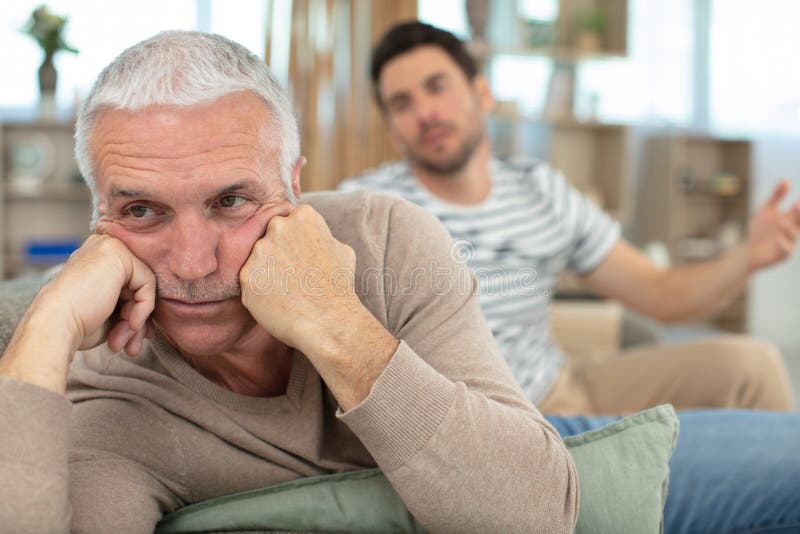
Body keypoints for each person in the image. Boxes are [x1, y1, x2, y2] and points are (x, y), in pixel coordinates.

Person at [0, 31, 579, 533]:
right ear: (96, 214)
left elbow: (541, 514)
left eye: (231, 201)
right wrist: (47, 325)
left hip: (522, 422)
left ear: (293, 187)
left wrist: (334, 323)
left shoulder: (386, 238)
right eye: (142, 211)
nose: (194, 264)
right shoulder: (115, 398)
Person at [340, 20, 800, 534]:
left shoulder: (542, 191)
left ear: (482, 93)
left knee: (751, 365)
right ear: (392, 127)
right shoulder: (368, 208)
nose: (425, 112)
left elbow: (662, 293)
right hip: (477, 426)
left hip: (562, 385)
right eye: (401, 103)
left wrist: (749, 257)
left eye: (437, 86)